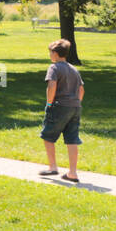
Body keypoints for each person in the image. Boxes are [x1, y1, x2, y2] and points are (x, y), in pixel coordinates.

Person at [39, 38, 84, 182]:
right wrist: (76, 102)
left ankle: (53, 167)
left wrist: (49, 103)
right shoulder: (73, 69)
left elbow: (52, 86)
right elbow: (81, 89)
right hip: (75, 107)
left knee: (48, 135)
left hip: (59, 106)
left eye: (50, 52)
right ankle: (72, 173)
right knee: (72, 139)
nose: (50, 55)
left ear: (56, 53)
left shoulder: (54, 68)